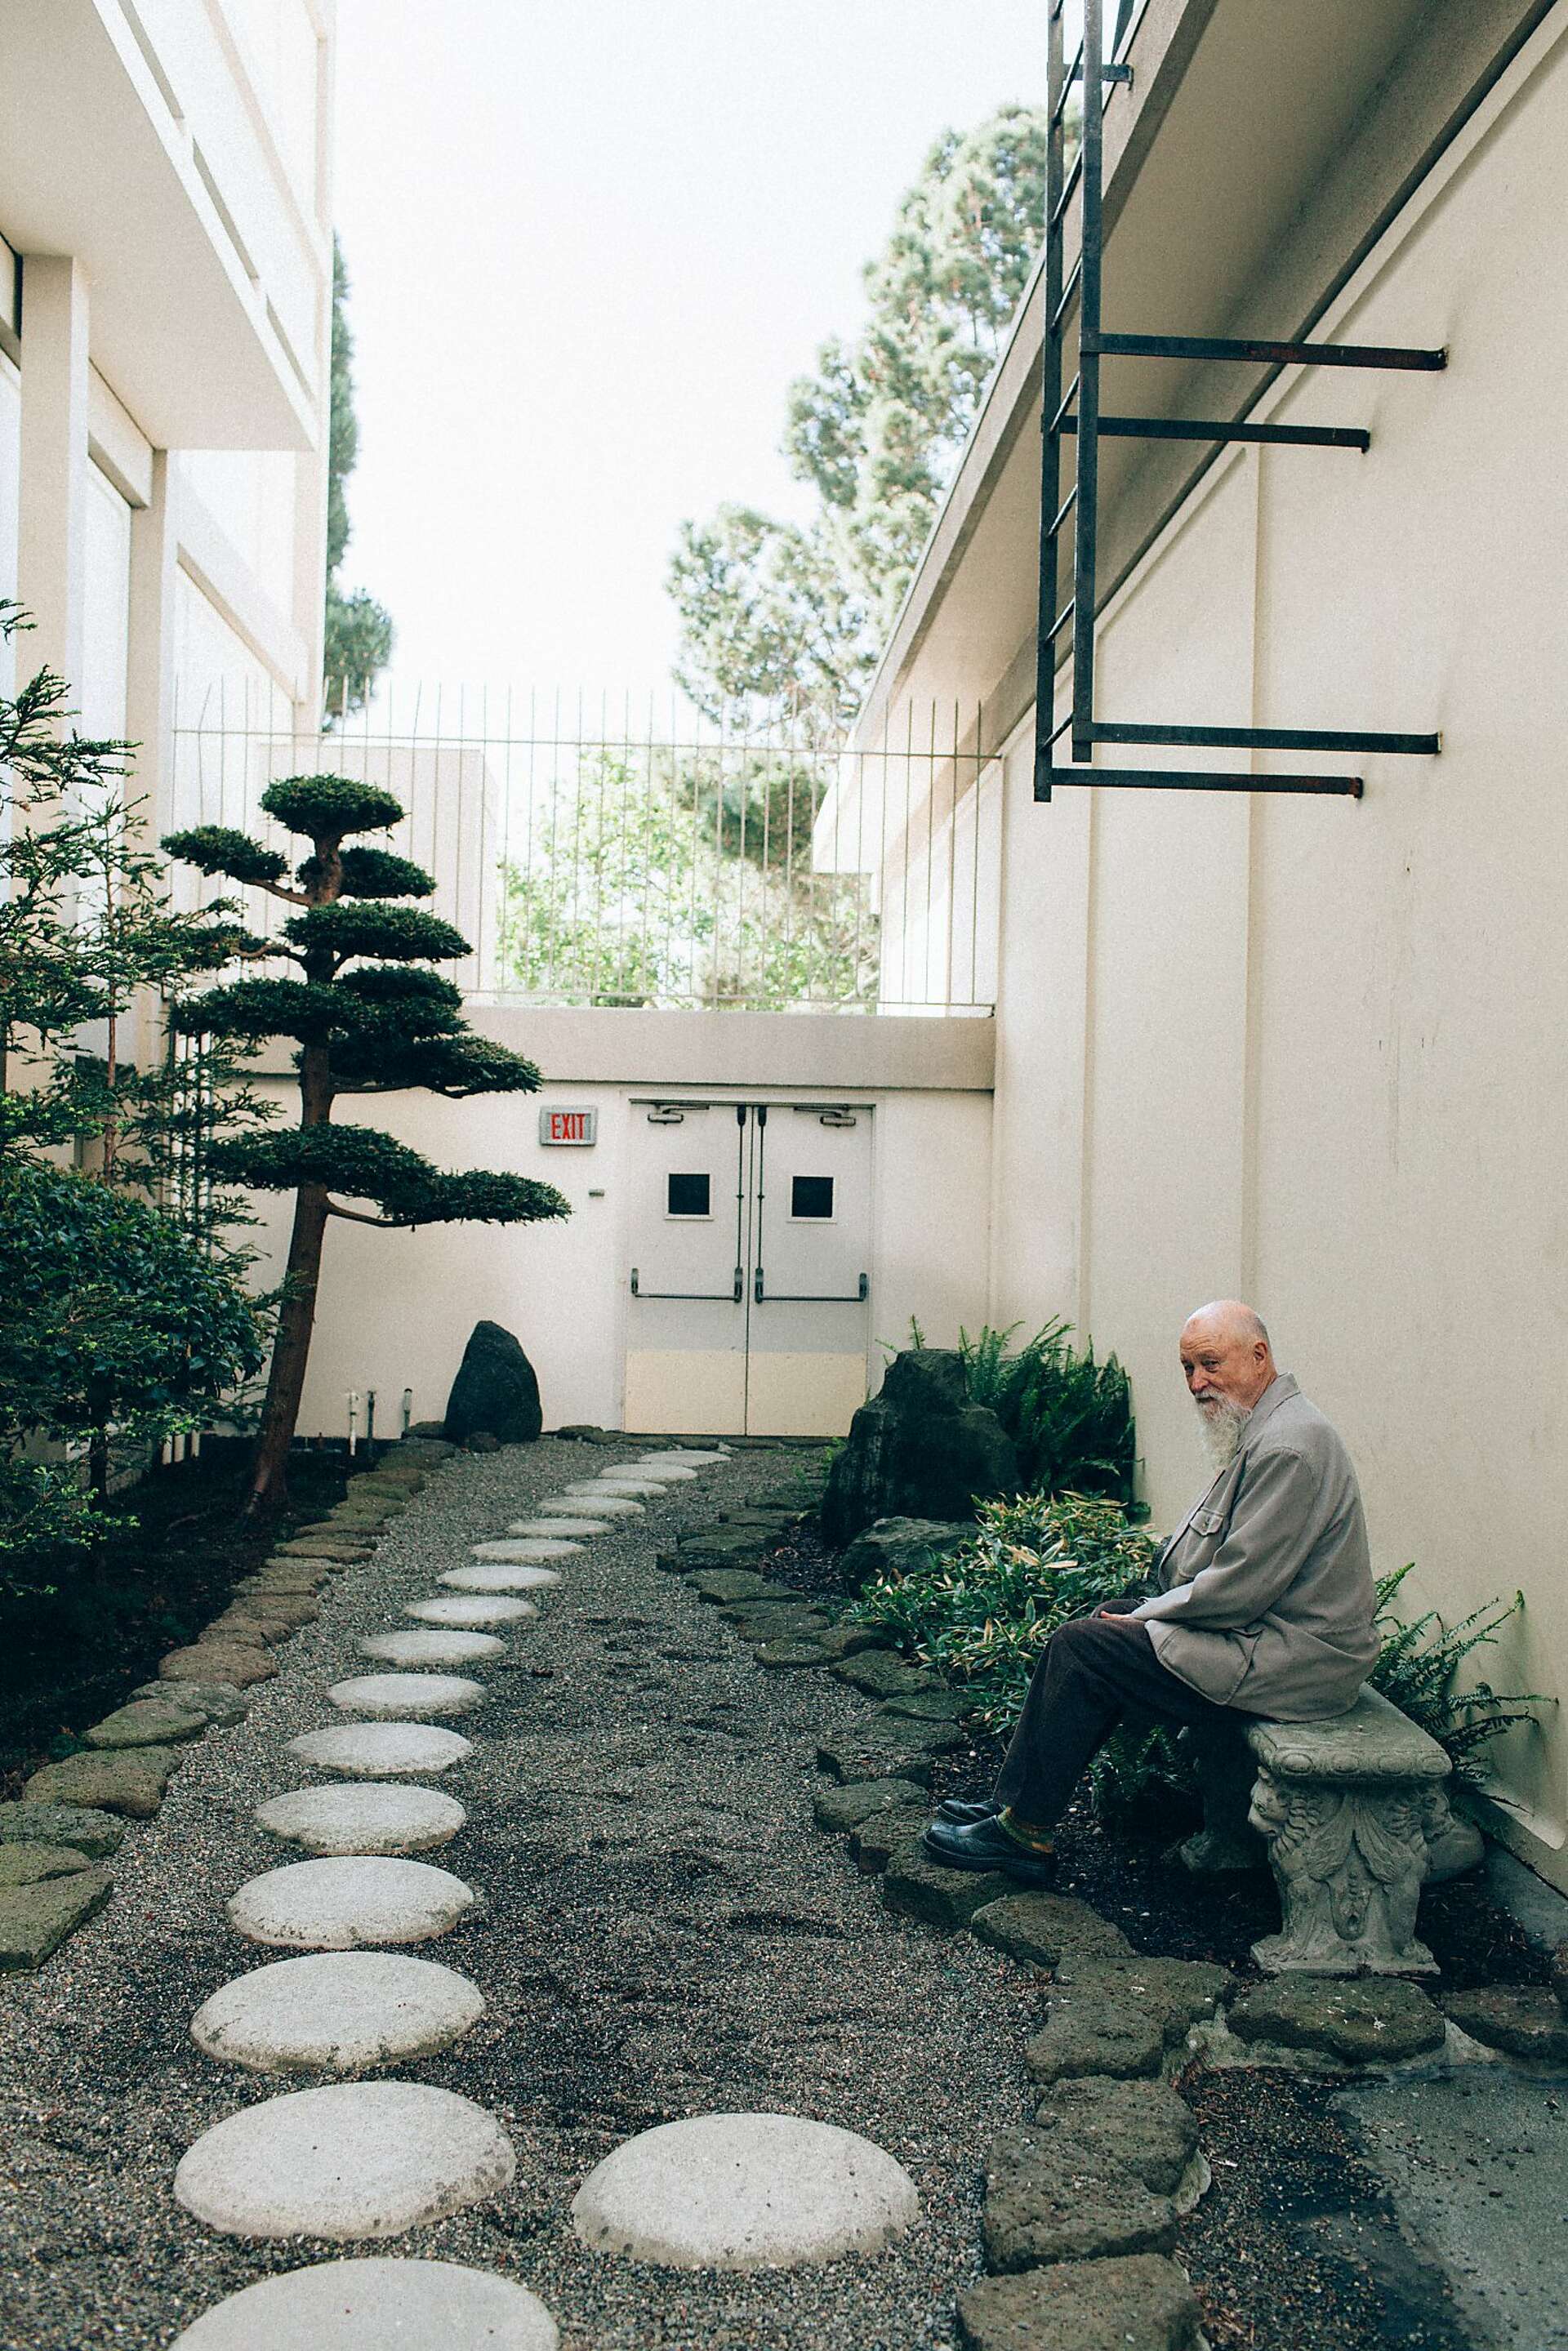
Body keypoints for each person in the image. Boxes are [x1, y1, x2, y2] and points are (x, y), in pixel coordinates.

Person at [923, 1300, 1379, 1884]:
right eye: (1188, 1368)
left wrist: (1144, 1619)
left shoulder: (1288, 1445)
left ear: (1259, 1355)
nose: (1197, 1382)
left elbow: (1238, 1588)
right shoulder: (1269, 1424)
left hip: (1294, 1661)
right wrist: (1140, 1609)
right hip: (1269, 1639)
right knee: (1096, 1631)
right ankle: (1012, 1805)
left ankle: (1023, 1833)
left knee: (1085, 1648)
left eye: (1209, 1363)